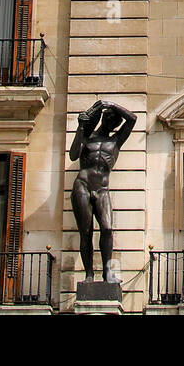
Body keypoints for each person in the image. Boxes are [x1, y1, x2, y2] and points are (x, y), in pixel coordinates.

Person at [69, 99, 136, 283]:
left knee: (107, 228)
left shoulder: (116, 140)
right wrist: (81, 127)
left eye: (115, 119)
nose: (112, 120)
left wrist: (112, 105)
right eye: (109, 117)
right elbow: (73, 154)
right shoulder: (88, 137)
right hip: (82, 184)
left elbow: (132, 119)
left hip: (102, 189)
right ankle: (89, 274)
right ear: (103, 118)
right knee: (86, 231)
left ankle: (107, 273)